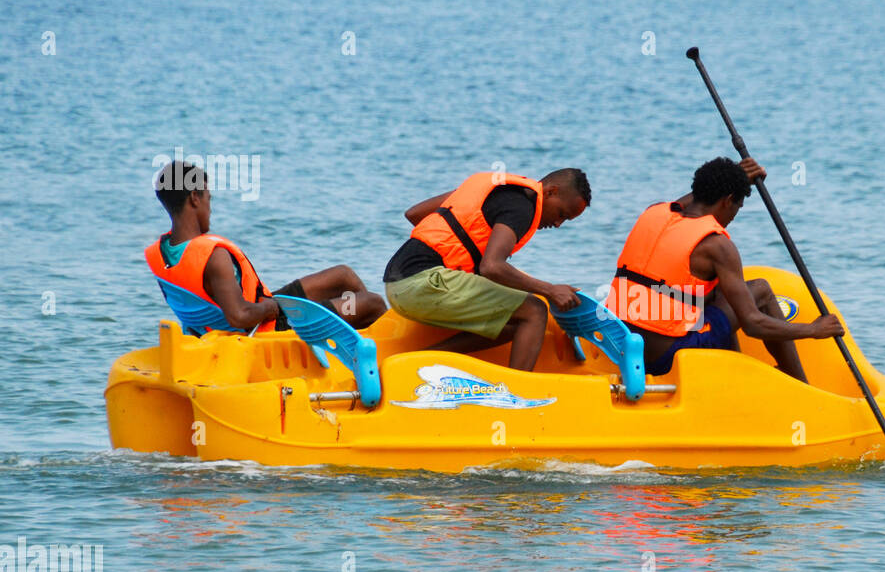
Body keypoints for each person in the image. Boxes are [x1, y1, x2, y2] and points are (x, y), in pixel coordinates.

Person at [607, 157, 843, 380]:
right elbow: (752, 323)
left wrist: (736, 176)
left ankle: (730, 374)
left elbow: (691, 199)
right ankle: (799, 383)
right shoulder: (718, 247)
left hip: (619, 343)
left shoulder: (654, 212)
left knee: (717, 291)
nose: (733, 216)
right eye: (737, 206)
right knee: (760, 288)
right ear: (727, 200)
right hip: (663, 357)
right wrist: (813, 329)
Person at [383, 168, 591, 371]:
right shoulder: (523, 208)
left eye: (565, 220)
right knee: (534, 311)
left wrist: (458, 253)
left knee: (512, 323)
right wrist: (551, 290)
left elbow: (414, 213)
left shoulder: (494, 188)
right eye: (561, 214)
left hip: (397, 285)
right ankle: (519, 393)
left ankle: (420, 361)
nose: (557, 223)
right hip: (424, 282)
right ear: (550, 192)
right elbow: (492, 267)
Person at [146, 160, 386, 332]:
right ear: (195, 198)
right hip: (267, 328)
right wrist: (272, 309)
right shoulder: (213, 256)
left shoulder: (164, 253)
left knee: (343, 276)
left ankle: (353, 343)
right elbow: (239, 316)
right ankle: (392, 359)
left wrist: (269, 305)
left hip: (256, 313)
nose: (210, 207)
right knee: (371, 303)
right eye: (209, 198)